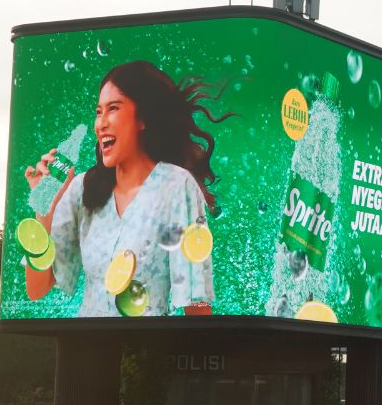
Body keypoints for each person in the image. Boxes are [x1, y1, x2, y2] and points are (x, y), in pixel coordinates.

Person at [23, 60, 230, 316]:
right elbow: (37, 288)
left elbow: (195, 301)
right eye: (98, 112)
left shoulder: (176, 186)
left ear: (143, 118)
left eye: (113, 109)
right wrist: (43, 209)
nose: (101, 123)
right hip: (85, 349)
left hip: (149, 351)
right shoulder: (82, 189)